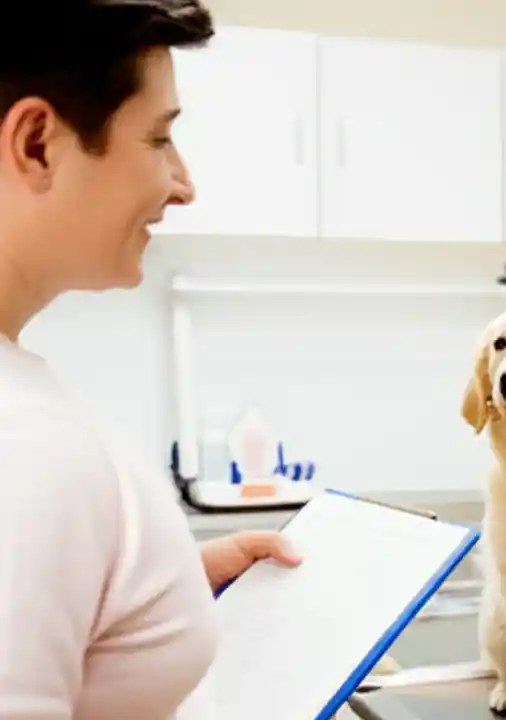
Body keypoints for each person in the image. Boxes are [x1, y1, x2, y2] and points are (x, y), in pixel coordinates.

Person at [0, 2, 301, 718]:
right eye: (160, 138)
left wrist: (147, 601)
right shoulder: (27, 446)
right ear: (38, 144)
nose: (183, 182)